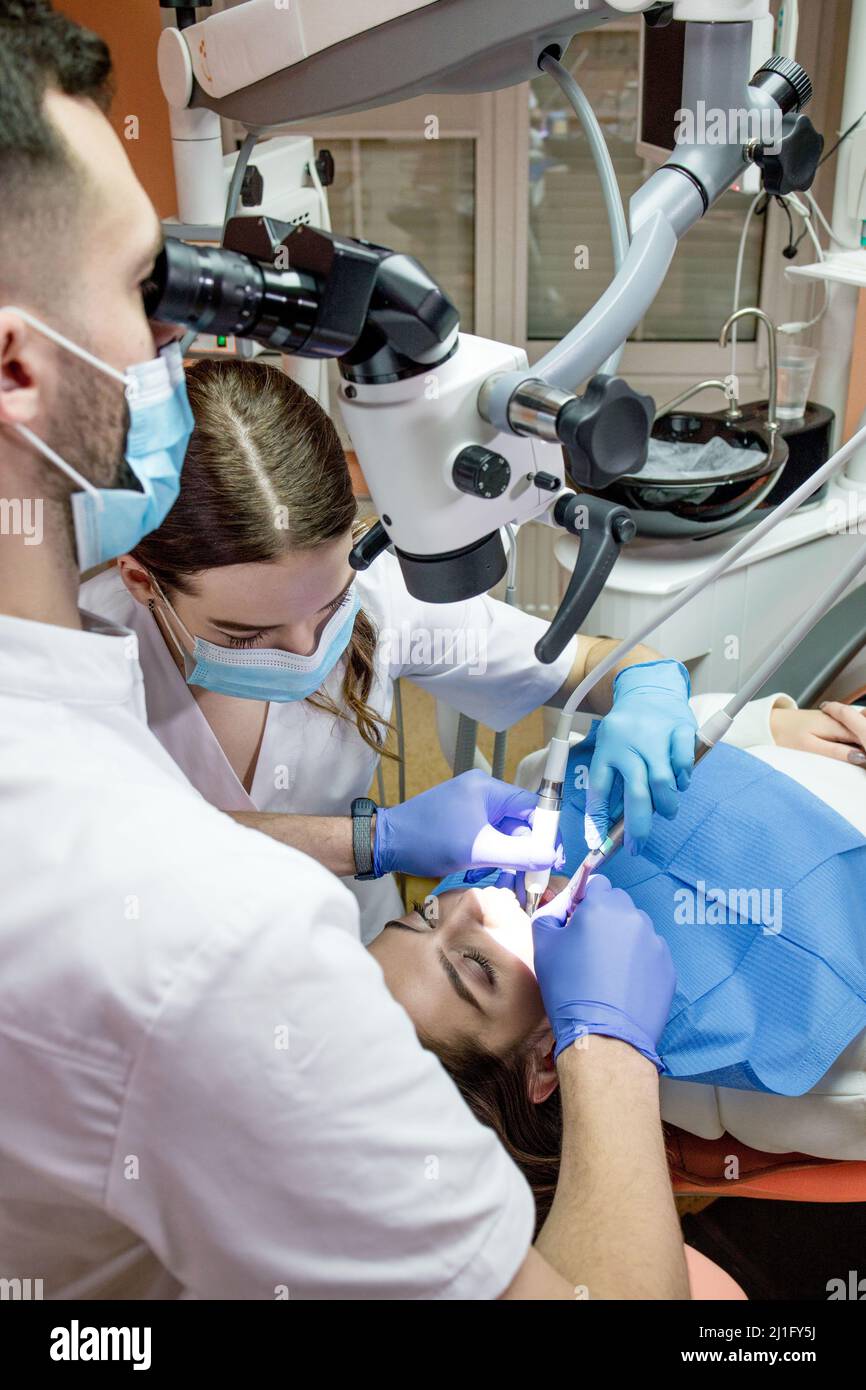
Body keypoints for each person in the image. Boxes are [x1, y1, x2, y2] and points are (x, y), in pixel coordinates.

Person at [0, 1, 689, 1299]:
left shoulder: (338, 615)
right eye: (138, 285)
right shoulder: (218, 940)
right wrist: (601, 1039)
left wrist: (642, 680)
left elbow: (586, 656)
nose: (170, 338)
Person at [81, 355, 697, 939]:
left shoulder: (380, 594)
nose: (304, 650)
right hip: (159, 963)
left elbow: (587, 662)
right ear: (142, 581)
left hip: (354, 940)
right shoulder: (73, 657)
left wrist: (649, 687)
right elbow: (94, 852)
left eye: (329, 606)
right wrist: (370, 841)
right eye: (245, 636)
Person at [368, 690, 866, 1226]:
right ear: (542, 1059)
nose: (471, 898)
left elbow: (648, 742)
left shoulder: (518, 841)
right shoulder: (775, 1073)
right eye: (476, 966)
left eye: (424, 915)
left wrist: (764, 725)